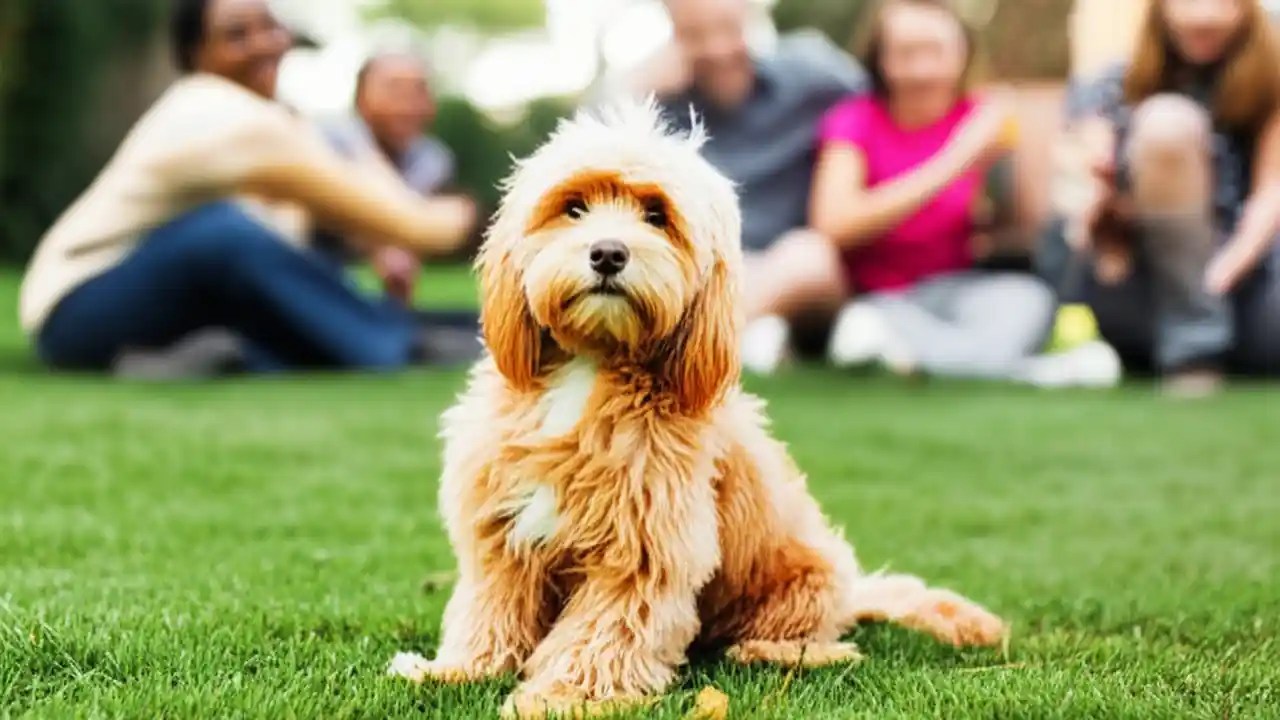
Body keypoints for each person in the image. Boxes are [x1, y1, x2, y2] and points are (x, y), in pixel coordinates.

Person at [19, 0, 477, 378]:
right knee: (224, 235)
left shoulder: (273, 120)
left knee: (292, 270)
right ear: (196, 55)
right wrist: (478, 212)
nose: (264, 44)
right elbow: (411, 222)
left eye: (270, 27)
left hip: (162, 311)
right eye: (237, 35)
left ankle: (203, 359)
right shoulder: (215, 109)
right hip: (76, 312)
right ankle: (397, 345)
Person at [808, 0, 1120, 386]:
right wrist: (957, 158)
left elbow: (1024, 233)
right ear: (881, 60)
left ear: (962, 55)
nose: (922, 69)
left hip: (959, 291)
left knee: (1030, 300)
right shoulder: (855, 119)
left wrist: (1025, 162)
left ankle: (915, 360)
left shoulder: (984, 119)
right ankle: (1033, 374)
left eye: (935, 52)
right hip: (878, 296)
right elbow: (834, 225)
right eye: (906, 53)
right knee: (865, 325)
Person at [1060, 0, 1280, 396]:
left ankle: (1200, 338)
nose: (1204, 15)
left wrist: (1217, 279)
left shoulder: (1271, 79)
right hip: (1145, 287)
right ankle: (1192, 351)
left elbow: (1272, 194)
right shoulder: (1110, 86)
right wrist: (1104, 201)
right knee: (1167, 123)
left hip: (1247, 285)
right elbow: (1086, 215)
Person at [647, 0, 866, 373]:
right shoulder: (655, 99)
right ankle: (748, 336)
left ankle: (686, 349)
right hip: (703, 267)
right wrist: (630, 88)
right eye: (695, 34)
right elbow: (590, 165)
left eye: (727, 29)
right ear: (673, 32)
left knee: (811, 255)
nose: (716, 49)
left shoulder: (811, 72)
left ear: (749, 19)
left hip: (791, 267)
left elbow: (890, 102)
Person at [319, 52, 476, 306]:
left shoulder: (433, 159)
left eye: (420, 90)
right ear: (360, 98)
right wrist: (383, 247)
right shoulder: (330, 139)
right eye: (394, 89)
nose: (408, 103)